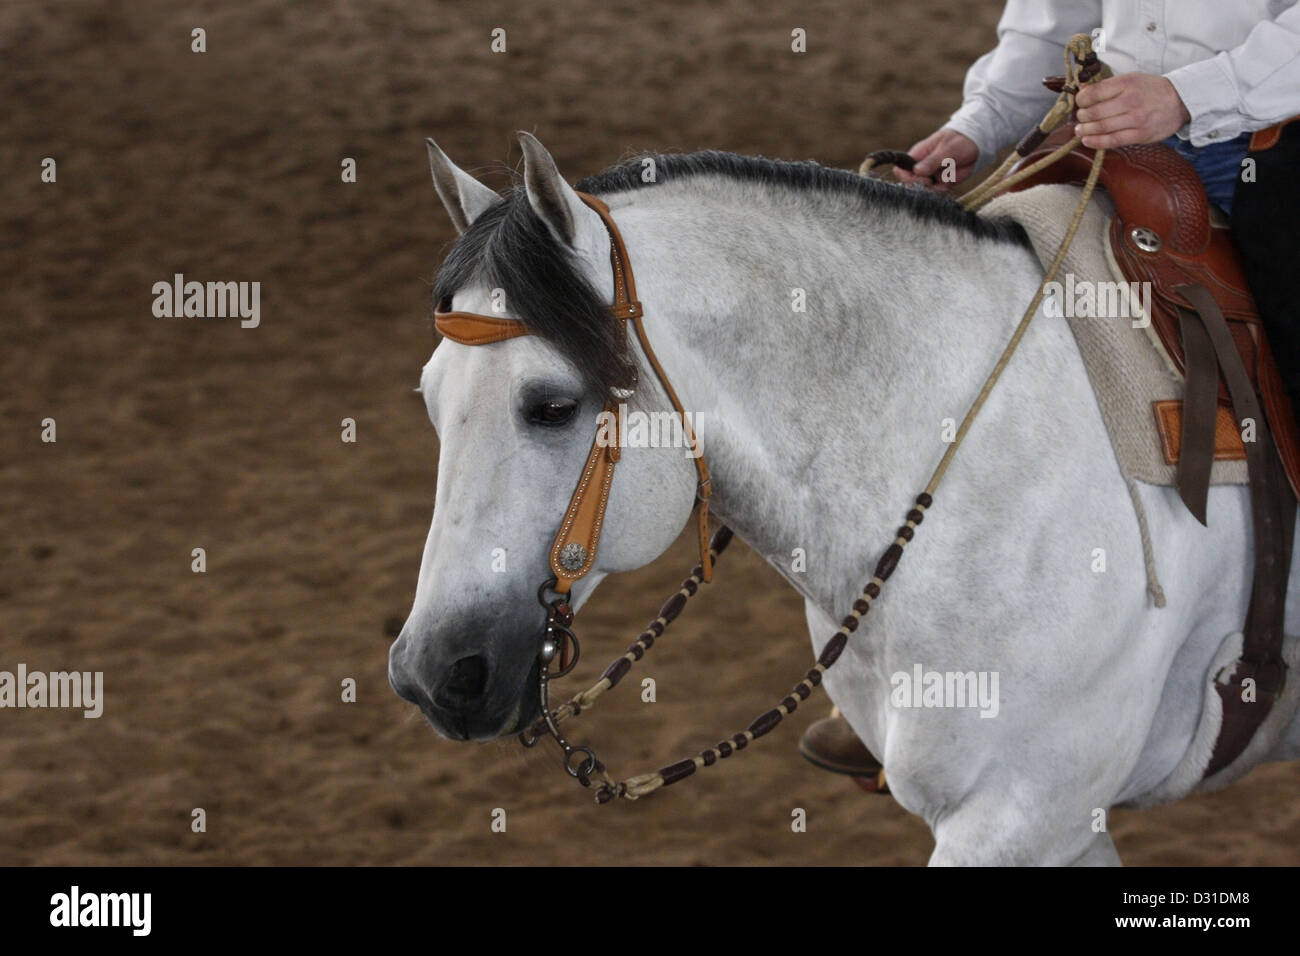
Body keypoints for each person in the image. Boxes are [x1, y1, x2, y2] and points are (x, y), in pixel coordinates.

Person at [802, 1, 1300, 780]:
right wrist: (979, 126)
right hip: (1112, 134)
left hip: (1271, 131)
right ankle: (898, 671)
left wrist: (1191, 93)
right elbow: (1051, 15)